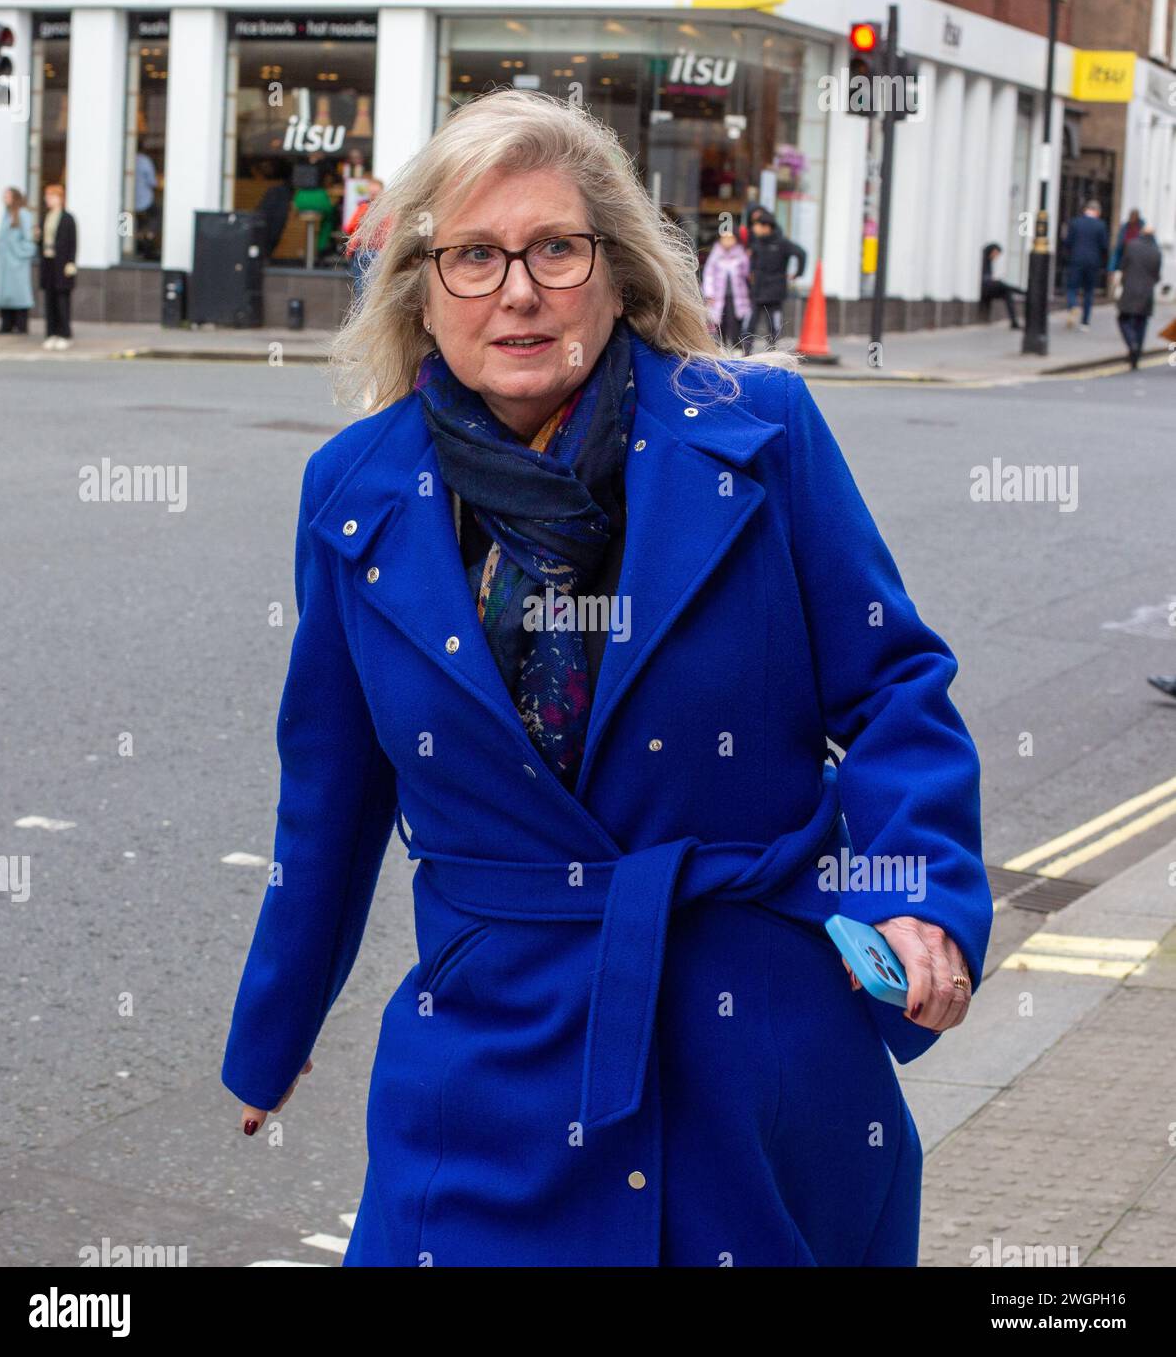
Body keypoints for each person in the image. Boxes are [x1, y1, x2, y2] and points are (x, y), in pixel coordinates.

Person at [221, 87, 991, 1268]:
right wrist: (274, 1032)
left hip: (754, 1049)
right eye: (473, 254)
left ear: (620, 273)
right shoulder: (353, 491)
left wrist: (923, 894)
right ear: (423, 288)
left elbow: (895, 685)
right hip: (490, 1056)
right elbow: (328, 795)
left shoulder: (761, 431)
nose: (516, 289)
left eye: (555, 249)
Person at [743, 206, 805, 352]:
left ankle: (771, 352)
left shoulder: (782, 243)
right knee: (750, 324)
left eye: (757, 225)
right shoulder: (757, 243)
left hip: (775, 291)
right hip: (757, 290)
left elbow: (801, 253)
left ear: (766, 227)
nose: (754, 228)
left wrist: (798, 273)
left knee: (773, 325)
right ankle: (747, 352)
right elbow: (752, 266)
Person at [1115, 224, 1162, 371]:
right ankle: (1136, 355)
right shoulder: (1157, 252)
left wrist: (1122, 282)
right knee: (1141, 324)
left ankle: (1132, 343)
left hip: (1130, 289)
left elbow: (1123, 265)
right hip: (1147, 293)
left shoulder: (1132, 245)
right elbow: (1157, 276)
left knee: (1123, 319)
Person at [0, 186, 37, 335]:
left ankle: (21, 325)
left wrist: (18, 253)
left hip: (17, 263)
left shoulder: (23, 214)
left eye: (8, 196)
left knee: (19, 294)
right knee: (5, 295)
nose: (5, 199)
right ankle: (6, 324)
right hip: (5, 263)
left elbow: (29, 240)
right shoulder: (6, 215)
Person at [37, 183, 77, 351]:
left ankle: (64, 333)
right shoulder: (46, 217)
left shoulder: (67, 218)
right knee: (49, 298)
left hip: (62, 264)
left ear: (59, 198)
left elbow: (72, 243)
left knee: (62, 299)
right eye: (46, 196)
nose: (48, 199)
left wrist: (71, 262)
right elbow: (42, 240)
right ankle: (51, 333)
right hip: (48, 262)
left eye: (51, 196)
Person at [1061, 199, 1108, 331]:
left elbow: (1068, 242)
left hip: (1076, 260)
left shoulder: (1075, 222)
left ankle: (1073, 305)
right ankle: (1085, 322)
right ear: (1097, 212)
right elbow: (1104, 246)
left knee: (1072, 288)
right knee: (1089, 291)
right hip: (1093, 262)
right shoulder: (1101, 225)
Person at [701, 227, 751, 349]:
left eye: (730, 238)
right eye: (725, 238)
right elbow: (708, 275)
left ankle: (737, 348)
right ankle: (720, 348)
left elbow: (746, 273)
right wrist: (709, 294)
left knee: (735, 322)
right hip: (718, 296)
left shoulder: (740, 254)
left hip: (737, 296)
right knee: (719, 322)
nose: (727, 241)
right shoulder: (715, 254)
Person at [343, 175, 388, 301]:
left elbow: (351, 227)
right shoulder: (389, 209)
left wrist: (350, 249)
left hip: (363, 251)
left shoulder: (364, 208)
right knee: (376, 289)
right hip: (381, 253)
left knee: (360, 290)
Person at [978, 242, 1025, 329]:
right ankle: (1024, 292)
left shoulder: (989, 261)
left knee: (1007, 293)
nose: (996, 256)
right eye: (996, 253)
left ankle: (1014, 322)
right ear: (991, 251)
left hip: (989, 288)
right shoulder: (981, 260)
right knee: (1002, 284)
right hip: (983, 289)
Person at [254, 158, 294, 260]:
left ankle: (264, 256)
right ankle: (264, 256)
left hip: (270, 212)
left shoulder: (277, 191)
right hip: (274, 207)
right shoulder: (278, 192)